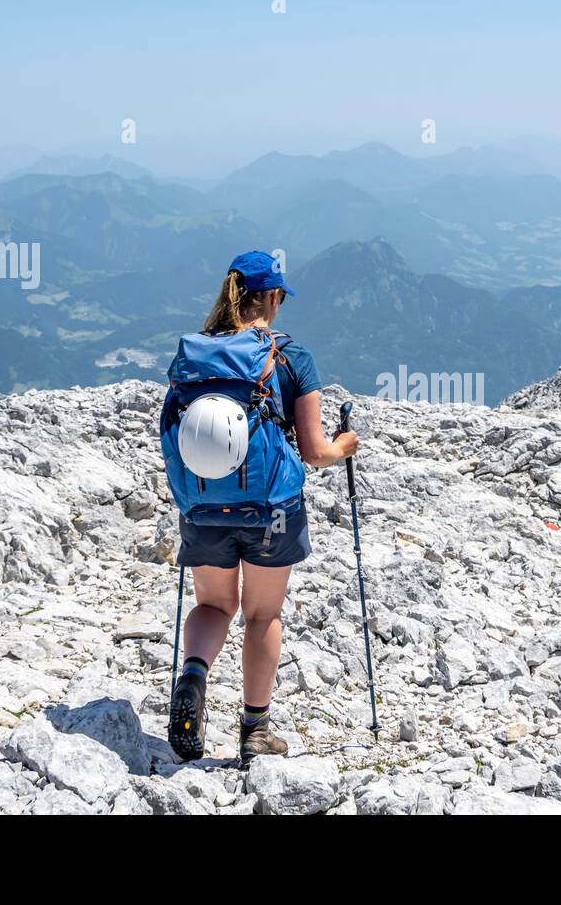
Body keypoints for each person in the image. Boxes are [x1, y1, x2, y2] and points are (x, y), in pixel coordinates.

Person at [166, 251, 359, 766]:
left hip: (204, 505)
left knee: (212, 606)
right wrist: (346, 445)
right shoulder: (292, 356)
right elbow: (317, 452)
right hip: (272, 509)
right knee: (261, 613)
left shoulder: (190, 357)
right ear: (273, 298)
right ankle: (255, 730)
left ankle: (193, 675)